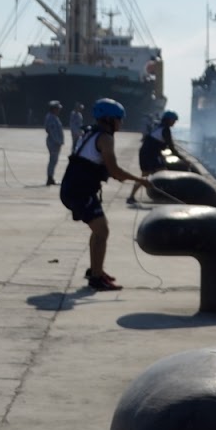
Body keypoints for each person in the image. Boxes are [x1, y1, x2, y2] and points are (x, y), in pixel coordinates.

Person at [59, 97, 150, 291]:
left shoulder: (91, 133)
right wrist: (140, 180)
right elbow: (115, 172)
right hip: (79, 191)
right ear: (109, 119)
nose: (122, 123)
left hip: (75, 188)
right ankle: (96, 279)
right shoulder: (105, 139)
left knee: (99, 230)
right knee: (102, 231)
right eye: (119, 119)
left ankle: (96, 270)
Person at [128, 110, 179, 203]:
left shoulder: (158, 127)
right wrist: (184, 160)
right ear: (168, 120)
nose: (174, 123)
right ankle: (165, 195)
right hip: (150, 155)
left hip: (145, 153)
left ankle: (131, 197)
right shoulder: (165, 130)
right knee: (162, 172)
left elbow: (159, 144)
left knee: (145, 176)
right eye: (173, 120)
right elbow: (171, 147)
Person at [43, 101, 65, 185]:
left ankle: (51, 177)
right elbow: (53, 131)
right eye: (57, 108)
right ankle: (50, 178)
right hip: (53, 143)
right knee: (52, 161)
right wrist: (58, 141)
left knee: (53, 161)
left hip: (54, 142)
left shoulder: (53, 117)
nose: (59, 110)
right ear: (54, 109)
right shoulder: (51, 118)